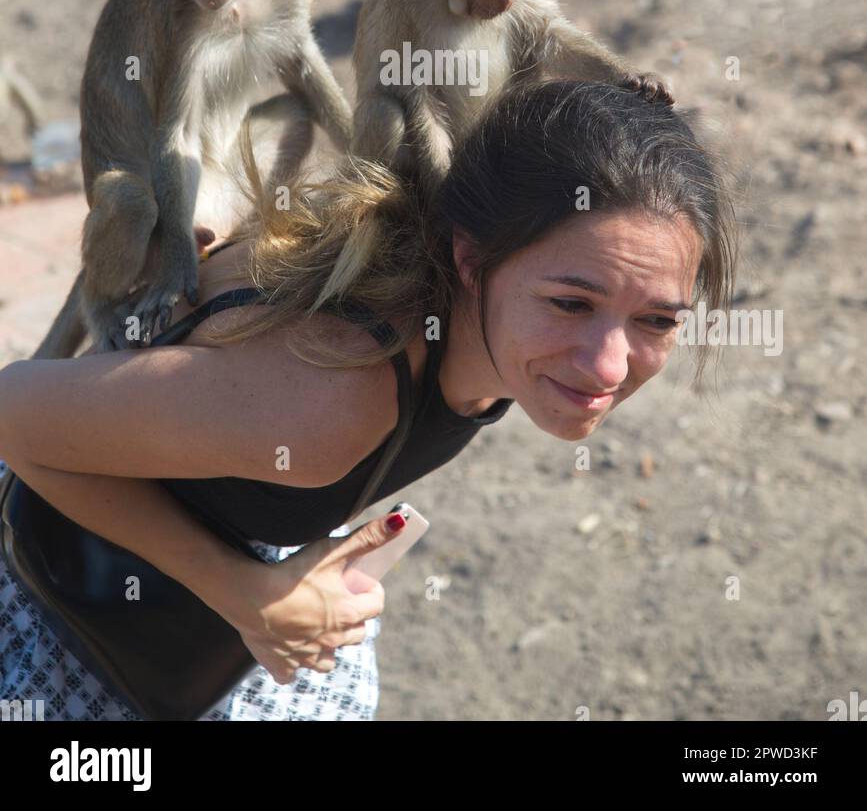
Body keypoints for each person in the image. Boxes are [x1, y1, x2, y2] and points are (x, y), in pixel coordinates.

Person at [0, 79, 736, 721]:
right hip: (52, 622)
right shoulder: (333, 402)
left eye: (657, 320)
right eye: (571, 304)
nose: (608, 364)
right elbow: (9, 413)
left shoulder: (471, 333)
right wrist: (246, 593)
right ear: (471, 260)